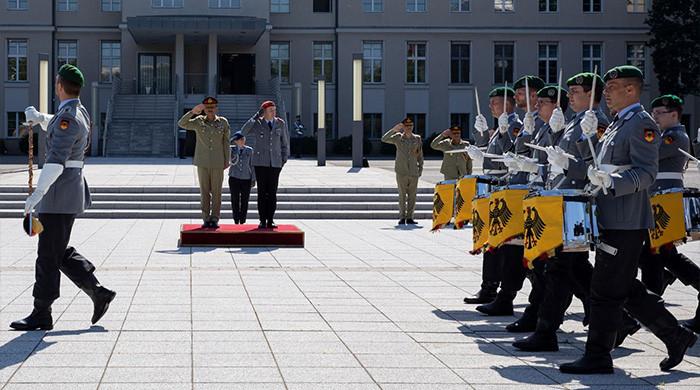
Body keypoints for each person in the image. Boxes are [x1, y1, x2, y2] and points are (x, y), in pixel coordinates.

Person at [559, 65, 696, 374]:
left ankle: (597, 355)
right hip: (609, 216)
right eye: (606, 88)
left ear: (632, 90)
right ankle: (676, 335)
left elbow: (646, 172)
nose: (606, 93)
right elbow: (597, 165)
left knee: (605, 291)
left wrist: (614, 181)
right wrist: (580, 146)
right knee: (620, 287)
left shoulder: (641, 123)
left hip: (627, 220)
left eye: (612, 87)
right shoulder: (619, 123)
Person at [12, 64, 116, 331]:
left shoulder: (68, 116)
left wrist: (37, 194)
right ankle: (97, 292)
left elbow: (56, 161)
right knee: (56, 250)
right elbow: (60, 125)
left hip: (59, 194)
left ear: (59, 85)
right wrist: (40, 118)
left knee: (48, 254)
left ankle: (41, 312)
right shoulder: (75, 111)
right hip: (66, 192)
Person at [638, 94, 700, 332]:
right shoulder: (665, 135)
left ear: (674, 114)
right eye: (653, 113)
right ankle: (652, 300)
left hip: (667, 202)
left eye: (659, 113)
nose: (655, 117)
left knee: (662, 254)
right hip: (658, 201)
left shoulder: (674, 136)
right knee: (654, 254)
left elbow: (651, 154)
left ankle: (653, 300)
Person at [463, 87, 523, 310]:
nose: (491, 107)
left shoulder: (514, 125)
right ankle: (490, 287)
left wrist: (503, 134)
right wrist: (481, 136)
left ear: (508, 104)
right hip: (495, 189)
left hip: (506, 188)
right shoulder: (500, 127)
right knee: (494, 243)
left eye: (495, 103)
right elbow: (488, 151)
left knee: (508, 248)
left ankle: (497, 290)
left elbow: (509, 156)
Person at [178, 97, 231, 229]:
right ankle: (206, 218)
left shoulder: (223, 122)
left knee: (217, 192)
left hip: (218, 162)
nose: (210, 110)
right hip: (202, 162)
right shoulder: (198, 121)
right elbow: (181, 123)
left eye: (212, 108)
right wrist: (192, 112)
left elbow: (226, 142)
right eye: (207, 109)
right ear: (204, 110)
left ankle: (215, 218)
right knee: (204, 191)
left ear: (216, 108)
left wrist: (227, 159)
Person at [241, 100, 289, 229]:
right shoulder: (257, 123)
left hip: (275, 163)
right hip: (260, 163)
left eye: (274, 110)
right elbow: (243, 131)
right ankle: (262, 220)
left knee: (272, 192)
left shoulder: (280, 123)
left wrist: (284, 158)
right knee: (262, 192)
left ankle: (271, 219)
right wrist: (256, 116)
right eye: (270, 110)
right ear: (264, 112)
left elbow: (284, 142)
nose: (274, 112)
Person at [382, 117, 424, 225]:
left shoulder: (417, 139)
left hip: (413, 172)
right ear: (403, 127)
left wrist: (420, 169)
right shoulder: (398, 138)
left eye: (410, 126)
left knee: (412, 196)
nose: (409, 128)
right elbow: (384, 139)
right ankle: (402, 217)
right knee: (402, 195)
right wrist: (394, 129)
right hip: (401, 171)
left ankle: (410, 217)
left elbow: (420, 155)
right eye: (406, 126)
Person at [229, 132, 256, 225]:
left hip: (246, 178)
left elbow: (252, 165)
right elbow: (230, 161)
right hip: (234, 177)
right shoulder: (231, 150)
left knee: (245, 200)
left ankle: (243, 220)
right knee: (234, 199)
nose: (241, 141)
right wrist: (234, 150)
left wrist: (253, 178)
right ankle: (236, 219)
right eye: (239, 140)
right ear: (236, 141)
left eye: (242, 139)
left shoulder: (249, 150)